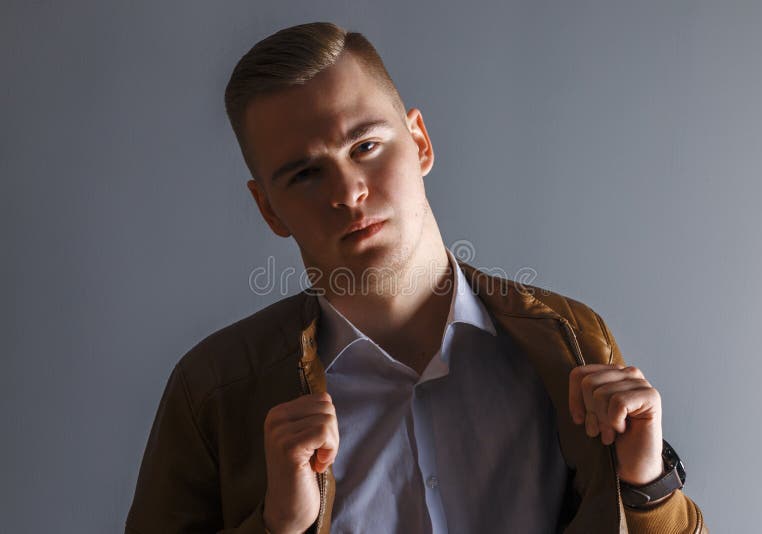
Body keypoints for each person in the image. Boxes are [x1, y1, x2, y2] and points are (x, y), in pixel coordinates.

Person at [125, 21, 706, 534]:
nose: (349, 192)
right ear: (269, 209)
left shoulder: (570, 341)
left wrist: (646, 485)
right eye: (305, 174)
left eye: (367, 145)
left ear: (420, 141)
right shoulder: (214, 390)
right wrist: (279, 527)